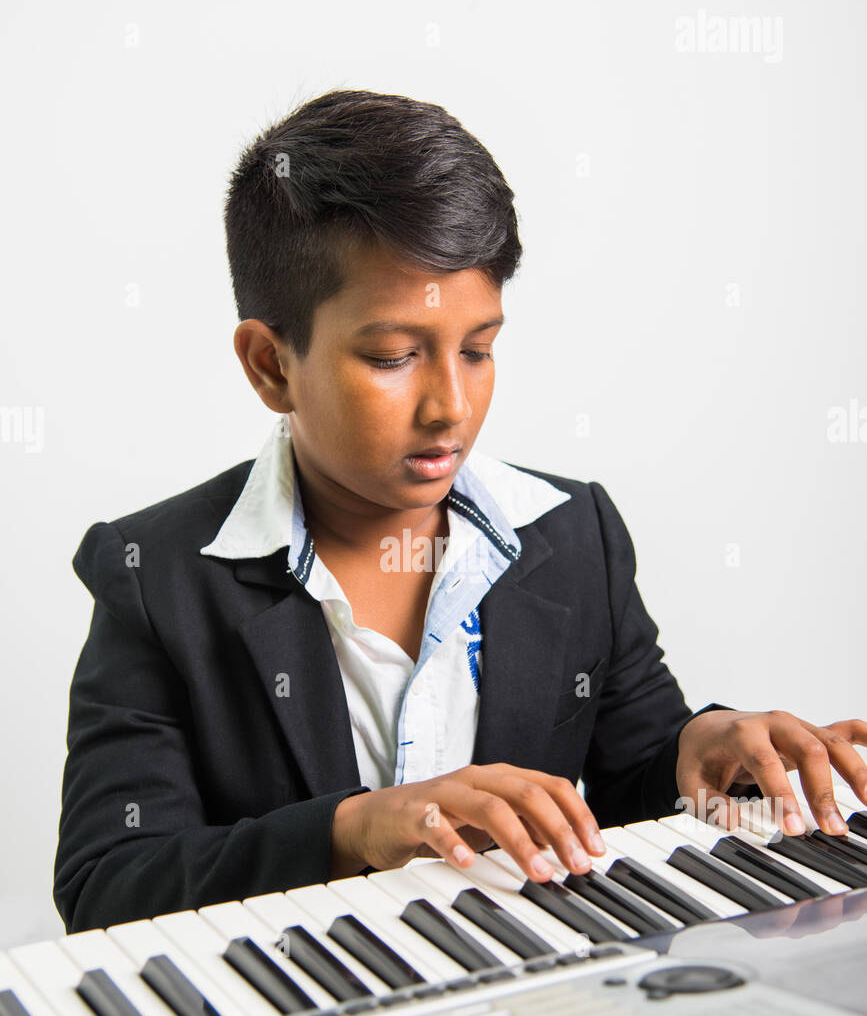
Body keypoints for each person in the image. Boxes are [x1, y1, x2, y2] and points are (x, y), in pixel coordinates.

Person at [54, 88, 867, 934]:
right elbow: (110, 882)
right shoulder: (155, 576)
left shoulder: (569, 532)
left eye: (478, 350)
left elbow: (635, 777)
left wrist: (706, 750)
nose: (451, 406)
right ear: (270, 366)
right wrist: (358, 827)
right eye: (394, 355)